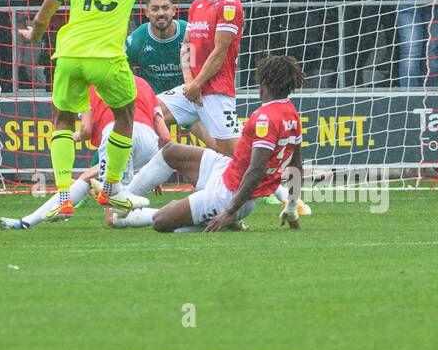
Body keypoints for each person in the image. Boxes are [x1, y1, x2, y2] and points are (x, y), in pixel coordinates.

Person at [19, 0, 191, 217]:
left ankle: (62, 195)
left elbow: (46, 10)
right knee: (125, 115)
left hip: (69, 54)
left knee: (63, 119)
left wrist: (35, 34)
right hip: (106, 57)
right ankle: (112, 186)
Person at [112, 55, 308, 232]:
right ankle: (124, 199)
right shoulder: (292, 113)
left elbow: (256, 170)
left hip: (229, 195)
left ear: (263, 82)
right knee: (171, 151)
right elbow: (296, 165)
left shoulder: (265, 118)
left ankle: (215, 220)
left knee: (161, 222)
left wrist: (230, 211)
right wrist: (291, 207)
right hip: (226, 170)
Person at [0, 75, 170, 230]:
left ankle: (178, 215)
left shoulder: (91, 87)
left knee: (114, 216)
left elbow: (86, 129)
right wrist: (152, 169)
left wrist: (72, 137)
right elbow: (165, 137)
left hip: (117, 136)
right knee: (88, 180)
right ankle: (26, 222)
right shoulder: (143, 83)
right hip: (149, 143)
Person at [155, 0, 243, 156]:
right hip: (192, 90)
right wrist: (189, 82)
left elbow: (220, 52)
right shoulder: (197, 5)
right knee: (148, 111)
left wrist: (197, 84)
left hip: (215, 92)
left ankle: (280, 184)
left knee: (235, 155)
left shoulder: (230, 4)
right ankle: (122, 182)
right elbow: (187, 46)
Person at [124, 0, 187, 93]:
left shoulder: (187, 32)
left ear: (174, 10)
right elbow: (122, 64)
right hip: (152, 100)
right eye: (155, 9)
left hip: (185, 96)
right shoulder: (138, 39)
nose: (161, 13)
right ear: (147, 12)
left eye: (165, 8)